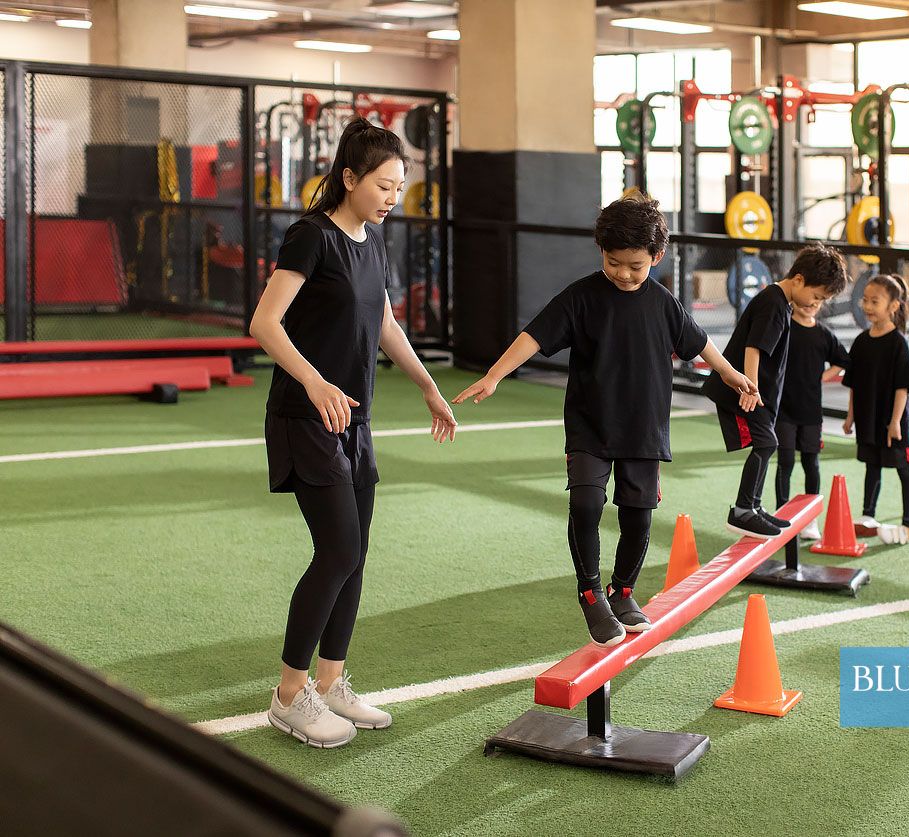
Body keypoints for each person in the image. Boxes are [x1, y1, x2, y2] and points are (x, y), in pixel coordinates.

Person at [452, 194, 757, 648]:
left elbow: (698, 342)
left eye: (636, 266)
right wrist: (495, 375)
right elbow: (534, 335)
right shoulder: (582, 297)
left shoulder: (663, 303)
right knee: (587, 504)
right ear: (601, 251)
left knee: (638, 516)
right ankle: (591, 592)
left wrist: (731, 375)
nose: (624, 274)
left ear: (657, 256)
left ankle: (623, 591)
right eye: (614, 263)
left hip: (644, 429)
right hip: (590, 425)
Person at [249, 118, 458, 748]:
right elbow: (265, 323)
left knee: (355, 553)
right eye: (382, 185)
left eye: (398, 187)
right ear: (349, 178)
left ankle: (332, 680)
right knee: (338, 550)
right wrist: (316, 383)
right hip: (305, 416)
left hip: (354, 421)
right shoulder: (310, 237)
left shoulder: (373, 241)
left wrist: (427, 385)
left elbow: (386, 322)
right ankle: (290, 695)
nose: (392, 197)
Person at [702, 244, 848, 539]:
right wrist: (750, 388)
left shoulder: (782, 303)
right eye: (817, 296)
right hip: (745, 390)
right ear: (799, 280)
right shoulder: (774, 302)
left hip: (759, 393)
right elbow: (754, 347)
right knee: (767, 443)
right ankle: (743, 510)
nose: (816, 303)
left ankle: (753, 507)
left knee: (767, 443)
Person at [841, 273, 909, 545]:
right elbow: (854, 383)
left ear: (893, 306)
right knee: (871, 465)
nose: (868, 306)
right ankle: (868, 515)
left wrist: (895, 421)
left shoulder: (898, 343)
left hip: (891, 422)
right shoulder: (861, 341)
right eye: (865, 300)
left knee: (904, 470)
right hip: (868, 418)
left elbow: (902, 388)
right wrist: (851, 416)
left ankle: (908, 525)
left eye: (875, 301)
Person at [774, 297, 850, 541]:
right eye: (807, 299)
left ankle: (810, 519)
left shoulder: (823, 334)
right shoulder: (784, 329)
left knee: (811, 463)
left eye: (816, 300)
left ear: (822, 302)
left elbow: (843, 360)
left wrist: (822, 376)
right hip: (784, 410)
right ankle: (780, 516)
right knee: (785, 461)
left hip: (810, 412)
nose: (810, 303)